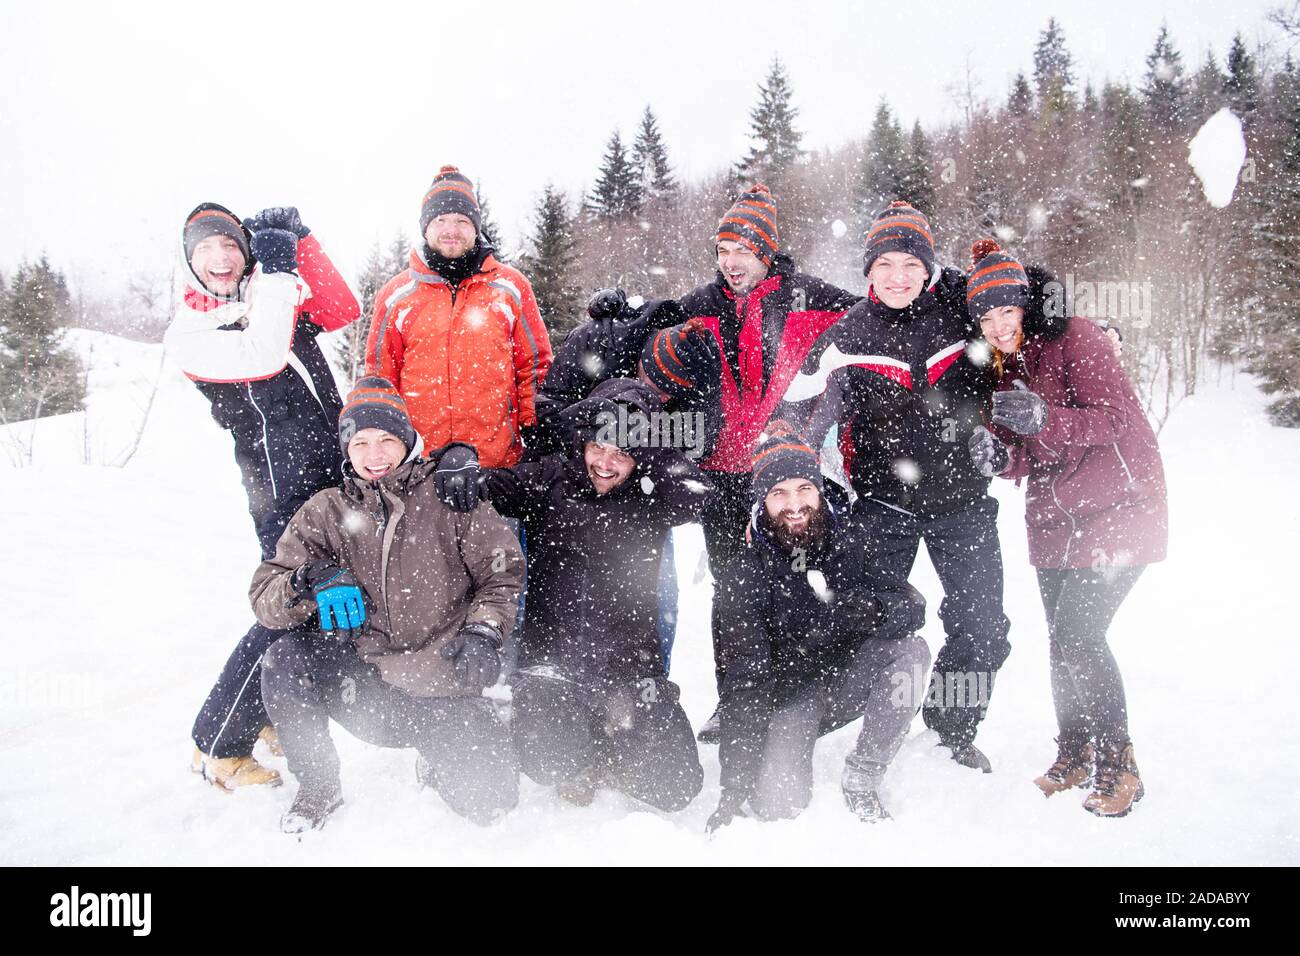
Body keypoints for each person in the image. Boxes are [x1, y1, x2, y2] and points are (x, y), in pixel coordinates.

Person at [772, 200, 1009, 773]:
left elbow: (1021, 324)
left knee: (982, 624)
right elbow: (797, 417)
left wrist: (995, 431)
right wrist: (782, 480)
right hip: (883, 505)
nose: (898, 276)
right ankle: (838, 713)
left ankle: (952, 729)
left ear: (928, 268)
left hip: (962, 502)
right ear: (868, 271)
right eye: (885, 264)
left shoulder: (960, 314)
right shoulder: (846, 337)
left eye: (910, 263)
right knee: (864, 615)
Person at [249, 378, 525, 832]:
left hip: (443, 682)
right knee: (284, 659)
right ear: (347, 449)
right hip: (366, 687)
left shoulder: (450, 494)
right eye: (360, 443)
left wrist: (484, 630)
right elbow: (265, 597)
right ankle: (318, 785)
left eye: (386, 440)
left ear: (408, 440)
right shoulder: (326, 510)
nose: (374, 455)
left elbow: (503, 574)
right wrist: (304, 581)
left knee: (490, 805)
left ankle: (439, 754)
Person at [965, 240, 1167, 818]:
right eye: (986, 316)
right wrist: (998, 457)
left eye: (1007, 311)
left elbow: (1116, 420)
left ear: (1027, 305)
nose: (999, 326)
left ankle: (1119, 762)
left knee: (1081, 636)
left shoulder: (1077, 337)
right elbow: (1025, 454)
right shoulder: (1003, 369)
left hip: (1120, 505)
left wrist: (1047, 417)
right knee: (1061, 641)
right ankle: (1075, 750)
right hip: (1055, 519)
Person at [165, 203, 360, 791]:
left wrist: (302, 242)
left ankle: (273, 706)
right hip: (281, 488)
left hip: (329, 472)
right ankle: (219, 742)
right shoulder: (194, 331)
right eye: (206, 251)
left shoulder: (265, 296)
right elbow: (264, 354)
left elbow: (340, 309)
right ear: (190, 263)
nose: (221, 259)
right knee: (291, 606)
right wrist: (275, 272)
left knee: (323, 604)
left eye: (231, 245)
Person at [476, 378, 712, 810]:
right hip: (553, 661)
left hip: (627, 663)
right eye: (597, 447)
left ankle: (611, 745)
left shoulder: (654, 492)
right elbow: (493, 489)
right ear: (582, 443)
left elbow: (698, 495)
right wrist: (459, 466)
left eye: (621, 453)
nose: (605, 463)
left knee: (675, 785)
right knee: (548, 762)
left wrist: (648, 445)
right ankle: (581, 748)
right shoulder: (551, 476)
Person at [707, 429, 930, 828]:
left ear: (819, 491)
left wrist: (875, 610)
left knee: (911, 652)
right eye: (779, 493)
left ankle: (864, 772)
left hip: (846, 679)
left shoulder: (851, 541)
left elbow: (912, 607)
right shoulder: (744, 573)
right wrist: (733, 790)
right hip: (787, 698)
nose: (794, 504)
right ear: (762, 500)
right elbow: (742, 681)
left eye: (803, 488)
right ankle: (784, 752)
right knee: (777, 806)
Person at [365, 165, 553, 468]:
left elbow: (534, 365)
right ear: (426, 227)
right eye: (440, 220)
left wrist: (534, 425)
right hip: (419, 465)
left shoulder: (511, 287)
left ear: (475, 227)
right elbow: (380, 377)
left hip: (495, 463)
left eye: (461, 220)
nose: (451, 229)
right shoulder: (396, 295)